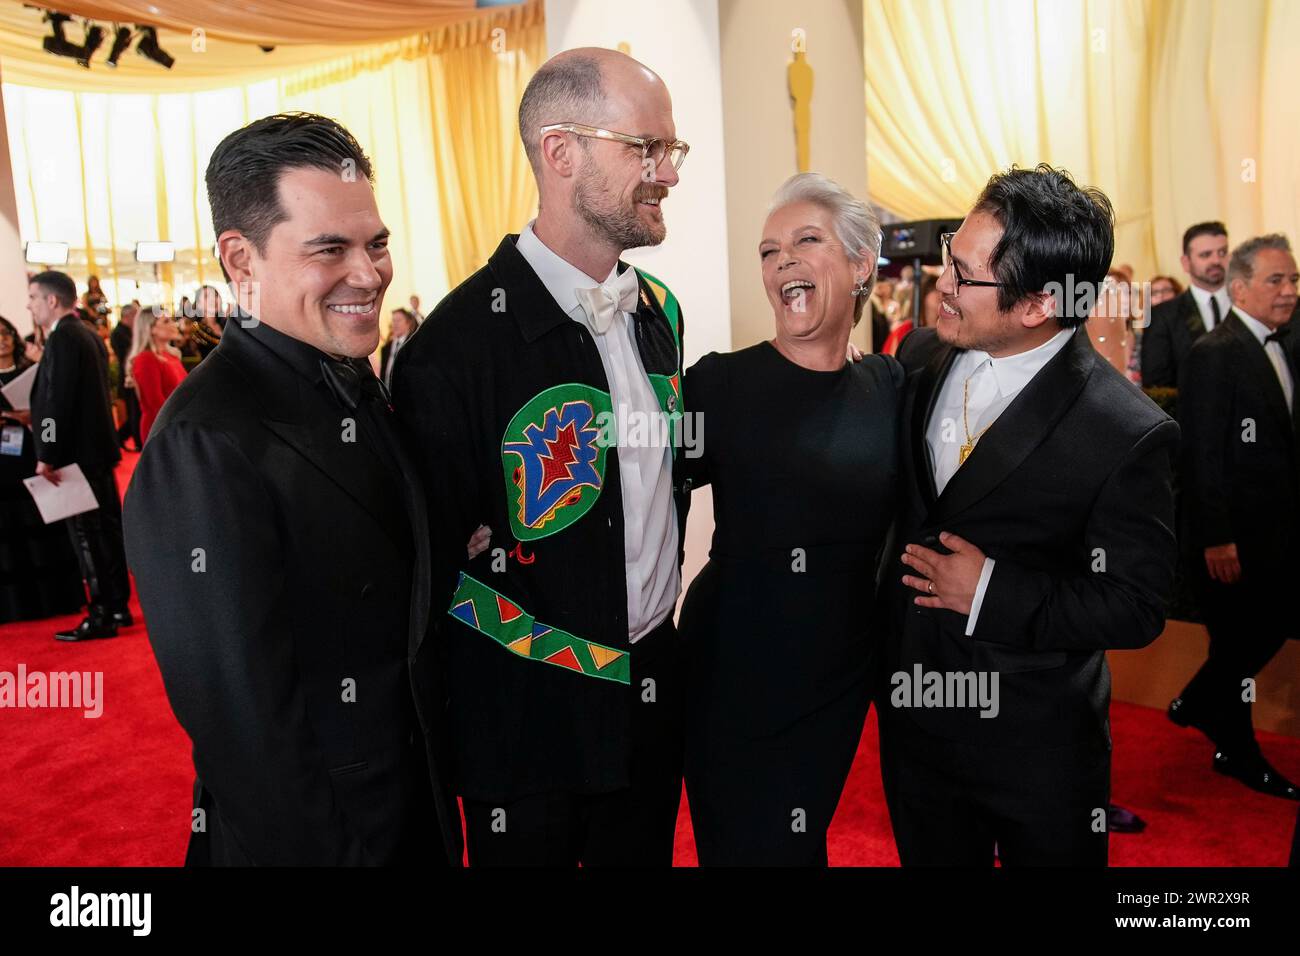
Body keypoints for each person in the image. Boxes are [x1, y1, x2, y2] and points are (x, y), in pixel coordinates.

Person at [123, 112, 460, 866]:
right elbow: (246, 732)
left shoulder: (355, 384)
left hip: (413, 813)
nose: (369, 273)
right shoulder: (203, 443)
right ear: (240, 259)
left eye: (376, 244)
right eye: (329, 249)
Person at [393, 48, 691, 866]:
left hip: (652, 688)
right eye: (647, 149)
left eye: (673, 150)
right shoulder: (453, 349)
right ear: (561, 153)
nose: (667, 172)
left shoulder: (658, 313)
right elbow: (430, 574)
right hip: (524, 721)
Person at [878, 164, 1179, 866]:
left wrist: (987, 591)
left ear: (1039, 304)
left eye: (965, 275)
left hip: (1036, 746)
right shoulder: (924, 354)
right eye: (952, 255)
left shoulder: (1123, 429)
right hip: (913, 727)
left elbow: (1135, 605)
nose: (941, 284)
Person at [681, 173, 901, 866]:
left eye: (807, 241)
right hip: (736, 665)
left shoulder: (889, 385)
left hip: (839, 672)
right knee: (751, 846)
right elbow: (635, 490)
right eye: (769, 252)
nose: (783, 263)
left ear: (861, 265)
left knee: (798, 841)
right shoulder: (719, 384)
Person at [1168, 233, 1299, 800]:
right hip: (1231, 540)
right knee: (1242, 641)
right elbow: (1201, 453)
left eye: (1294, 280)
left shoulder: (1285, 344)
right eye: (1277, 280)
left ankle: (1205, 711)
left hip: (1277, 534)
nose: (1289, 291)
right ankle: (1234, 744)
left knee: (1253, 636)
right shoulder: (1215, 353)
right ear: (1240, 287)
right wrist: (1217, 538)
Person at [27, 270, 132, 642]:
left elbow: (57, 401)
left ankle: (102, 613)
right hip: (97, 450)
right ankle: (117, 606)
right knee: (105, 529)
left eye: (34, 298)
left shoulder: (64, 338)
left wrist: (47, 453)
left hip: (76, 456)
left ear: (52, 300)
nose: (30, 306)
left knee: (88, 535)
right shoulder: (86, 332)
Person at [0, 315, 85, 624]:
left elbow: (54, 415)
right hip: (2, 466)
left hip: (31, 454)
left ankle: (56, 598)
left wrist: (31, 417)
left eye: (6, 333)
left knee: (43, 524)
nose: (3, 339)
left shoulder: (32, 373)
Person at [1141, 222, 1230, 387]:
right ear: (1186, 262)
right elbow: (1157, 387)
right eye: (1206, 255)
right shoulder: (1164, 316)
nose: (1216, 260)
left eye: (1222, 252)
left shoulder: (1248, 306)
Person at [127, 307, 186, 441]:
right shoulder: (146, 359)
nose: (173, 324)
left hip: (177, 425)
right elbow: (156, 405)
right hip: (161, 430)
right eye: (166, 321)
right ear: (151, 329)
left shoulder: (171, 355)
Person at [881, 273, 939, 356]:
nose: (941, 293)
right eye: (933, 289)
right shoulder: (905, 330)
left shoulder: (948, 330)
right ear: (922, 295)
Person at [110, 303, 142, 452]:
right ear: (128, 316)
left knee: (135, 412)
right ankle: (120, 439)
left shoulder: (127, 332)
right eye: (135, 315)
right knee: (133, 412)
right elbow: (126, 356)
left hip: (131, 375)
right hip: (128, 377)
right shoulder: (118, 333)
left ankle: (119, 439)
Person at [380, 307, 415, 390]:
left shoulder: (413, 347)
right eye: (393, 320)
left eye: (398, 320)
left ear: (408, 323)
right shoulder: (386, 348)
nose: (394, 324)